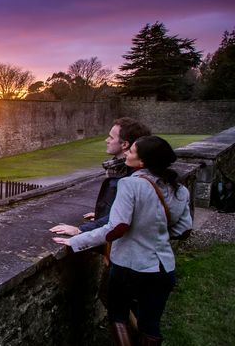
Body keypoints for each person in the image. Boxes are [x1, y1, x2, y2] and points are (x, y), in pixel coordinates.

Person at [53, 136, 193, 345]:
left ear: (143, 162)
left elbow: (117, 227)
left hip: (130, 266)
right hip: (164, 268)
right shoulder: (180, 189)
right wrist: (151, 233)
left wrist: (78, 240)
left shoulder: (130, 184)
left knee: (118, 315)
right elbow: (184, 230)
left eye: (132, 151)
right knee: (151, 324)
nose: (127, 153)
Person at [50, 117, 152, 237]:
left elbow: (123, 217)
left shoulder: (133, 177)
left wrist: (81, 230)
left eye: (111, 137)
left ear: (124, 144)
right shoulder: (119, 168)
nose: (106, 140)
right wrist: (102, 214)